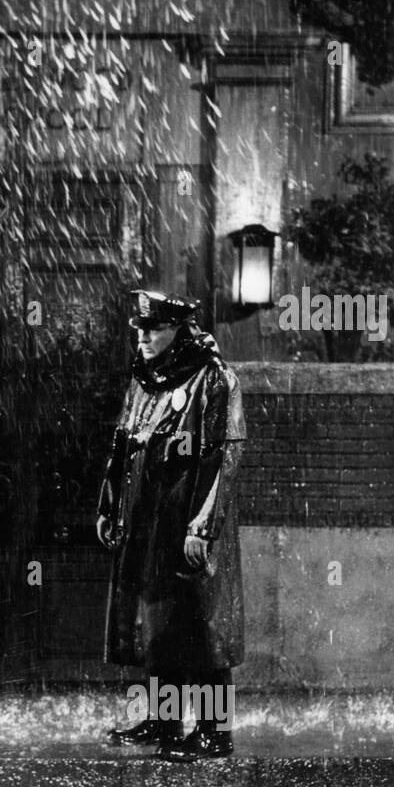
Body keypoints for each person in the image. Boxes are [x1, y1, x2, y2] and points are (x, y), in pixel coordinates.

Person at [96, 290, 246, 761]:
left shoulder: (214, 379)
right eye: (139, 330)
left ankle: (213, 730)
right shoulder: (146, 379)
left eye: (153, 329)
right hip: (149, 518)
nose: (143, 338)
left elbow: (224, 455)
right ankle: (163, 720)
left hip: (187, 519)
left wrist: (203, 526)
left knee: (201, 626)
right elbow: (123, 445)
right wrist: (111, 505)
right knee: (157, 622)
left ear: (179, 329)